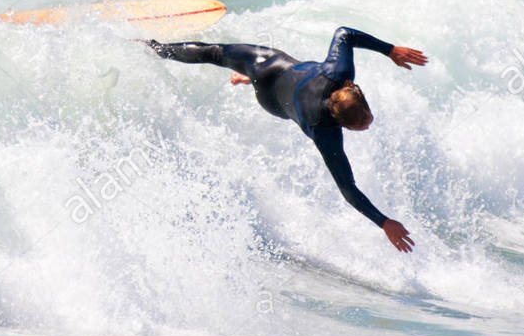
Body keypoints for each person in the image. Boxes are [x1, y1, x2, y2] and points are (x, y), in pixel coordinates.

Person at [146, 27, 428, 252]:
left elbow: (345, 33)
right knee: (219, 55)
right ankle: (242, 77)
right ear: (342, 122)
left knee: (215, 53)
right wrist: (384, 223)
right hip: (272, 100)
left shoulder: (338, 74)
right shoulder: (324, 132)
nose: (368, 126)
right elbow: (348, 189)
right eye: (362, 125)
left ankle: (154, 48)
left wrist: (390, 50)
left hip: (270, 65)